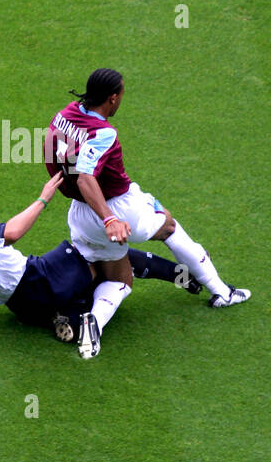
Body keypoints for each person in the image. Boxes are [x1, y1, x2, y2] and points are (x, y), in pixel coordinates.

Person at [45, 67, 249, 353]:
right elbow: (85, 176)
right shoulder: (103, 132)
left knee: (120, 278)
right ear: (113, 98)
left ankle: (93, 322)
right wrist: (110, 218)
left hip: (80, 213)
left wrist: (71, 189)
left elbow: (52, 152)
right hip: (118, 209)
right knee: (168, 225)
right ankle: (221, 291)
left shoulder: (62, 115)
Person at [0, 171, 194, 358]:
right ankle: (184, 278)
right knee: (105, 254)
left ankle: (68, 317)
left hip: (19, 306)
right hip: (37, 278)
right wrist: (43, 198)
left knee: (91, 281)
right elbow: (11, 233)